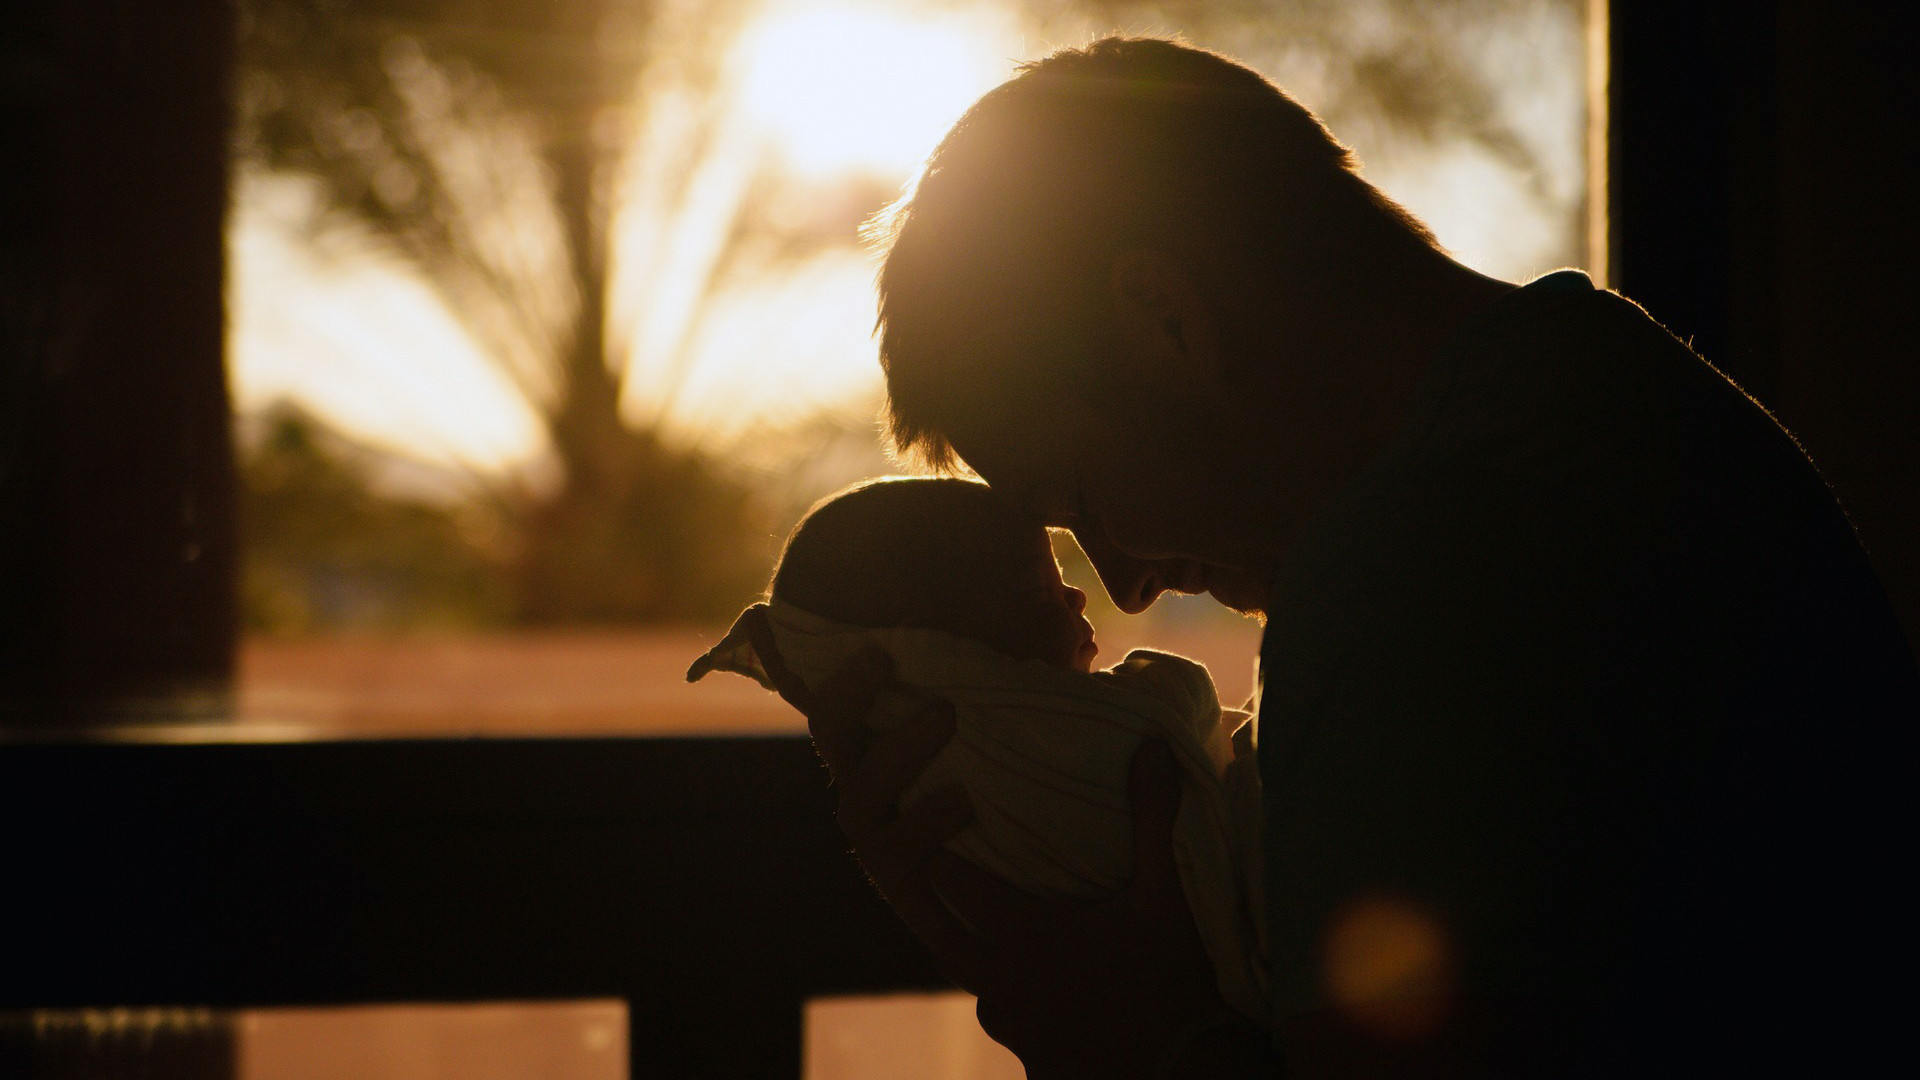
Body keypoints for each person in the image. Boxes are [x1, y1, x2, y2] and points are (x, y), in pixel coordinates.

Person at [767, 37, 1919, 1079]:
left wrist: (1112, 1026)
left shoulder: (1417, 567)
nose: (1123, 585)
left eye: (1082, 499)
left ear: (1163, 319)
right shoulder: (1618, 399)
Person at [688, 476, 1269, 1022]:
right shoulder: (1030, 743)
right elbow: (1180, 720)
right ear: (935, 652)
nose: (1086, 596)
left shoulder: (930, 784)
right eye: (1040, 591)